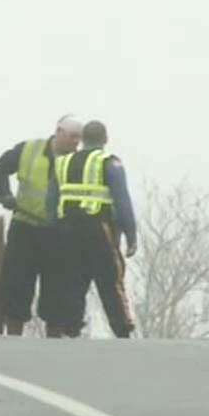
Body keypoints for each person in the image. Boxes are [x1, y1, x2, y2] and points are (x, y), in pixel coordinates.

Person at [0, 114, 83, 336]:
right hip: (25, 229)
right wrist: (5, 195)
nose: (74, 143)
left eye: (77, 139)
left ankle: (54, 335)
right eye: (71, 137)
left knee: (57, 288)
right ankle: (13, 332)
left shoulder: (78, 162)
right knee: (17, 284)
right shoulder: (28, 150)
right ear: (58, 132)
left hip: (59, 233)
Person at [51, 119, 138, 338]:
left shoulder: (63, 162)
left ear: (82, 140)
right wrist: (131, 234)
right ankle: (121, 328)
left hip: (67, 228)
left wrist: (55, 227)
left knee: (73, 278)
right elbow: (122, 199)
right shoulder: (109, 162)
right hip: (98, 227)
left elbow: (50, 200)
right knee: (110, 278)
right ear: (105, 139)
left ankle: (71, 327)